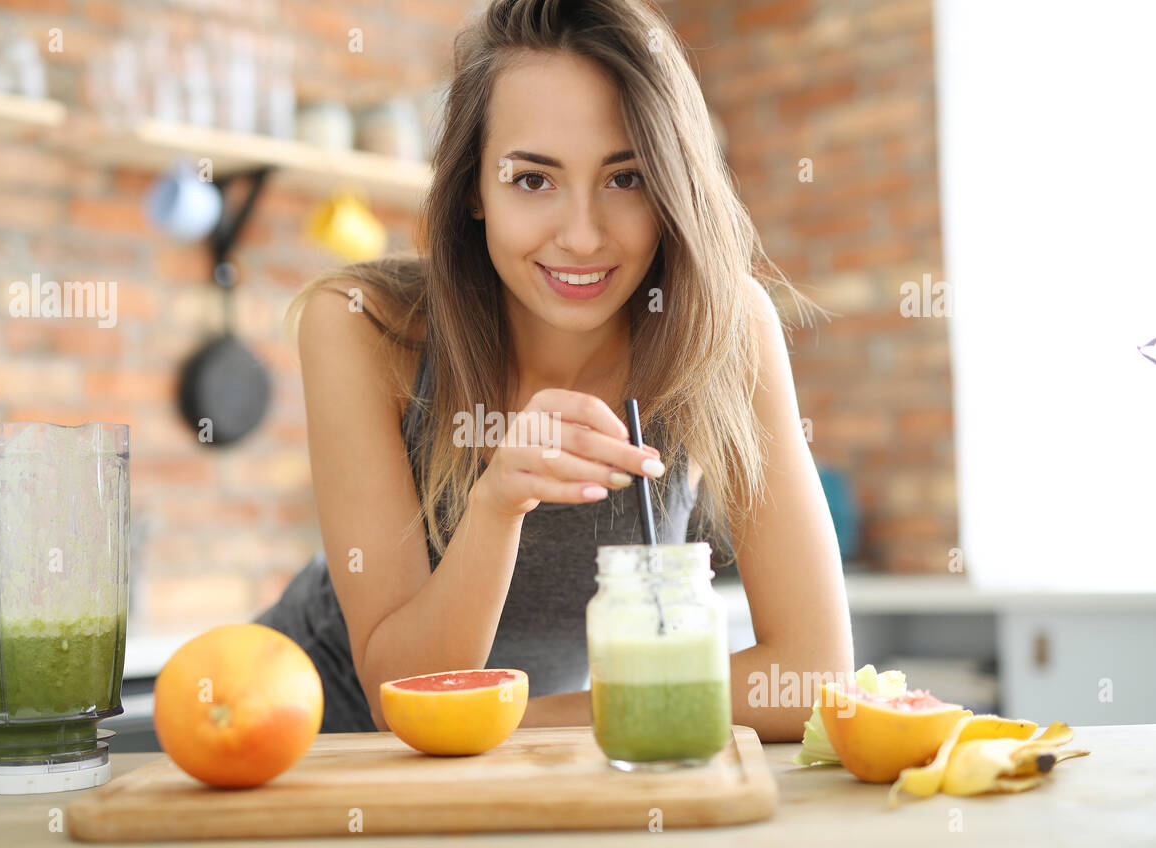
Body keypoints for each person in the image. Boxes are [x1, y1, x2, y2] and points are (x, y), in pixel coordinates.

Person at [255, 0, 853, 740]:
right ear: (474, 187)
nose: (581, 235)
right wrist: (497, 503)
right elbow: (396, 697)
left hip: (514, 755)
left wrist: (527, 724)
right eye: (533, 180)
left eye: (626, 179)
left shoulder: (725, 330)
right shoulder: (365, 326)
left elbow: (812, 672)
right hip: (306, 738)